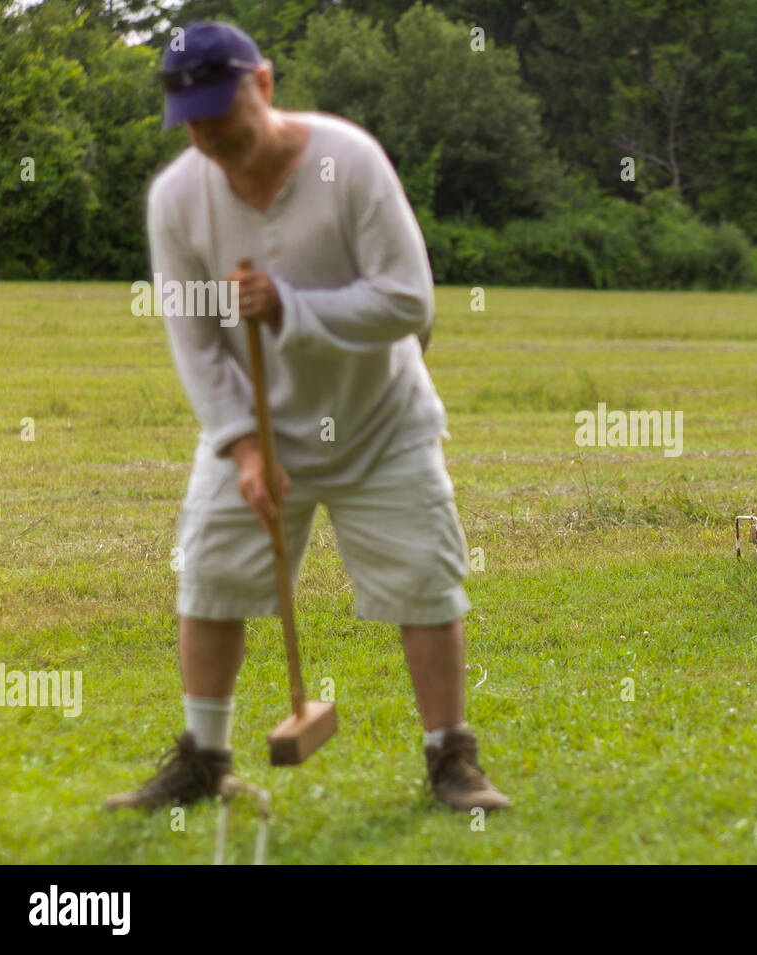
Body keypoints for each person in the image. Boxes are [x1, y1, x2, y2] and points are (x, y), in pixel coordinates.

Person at [105, 22, 509, 812]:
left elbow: (410, 301)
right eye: (193, 121)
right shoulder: (177, 198)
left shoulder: (347, 160)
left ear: (264, 82)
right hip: (256, 426)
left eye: (223, 112)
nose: (210, 135)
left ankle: (451, 761)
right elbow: (194, 342)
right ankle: (203, 762)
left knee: (426, 584)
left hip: (380, 418)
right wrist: (245, 447)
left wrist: (290, 306)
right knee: (212, 578)